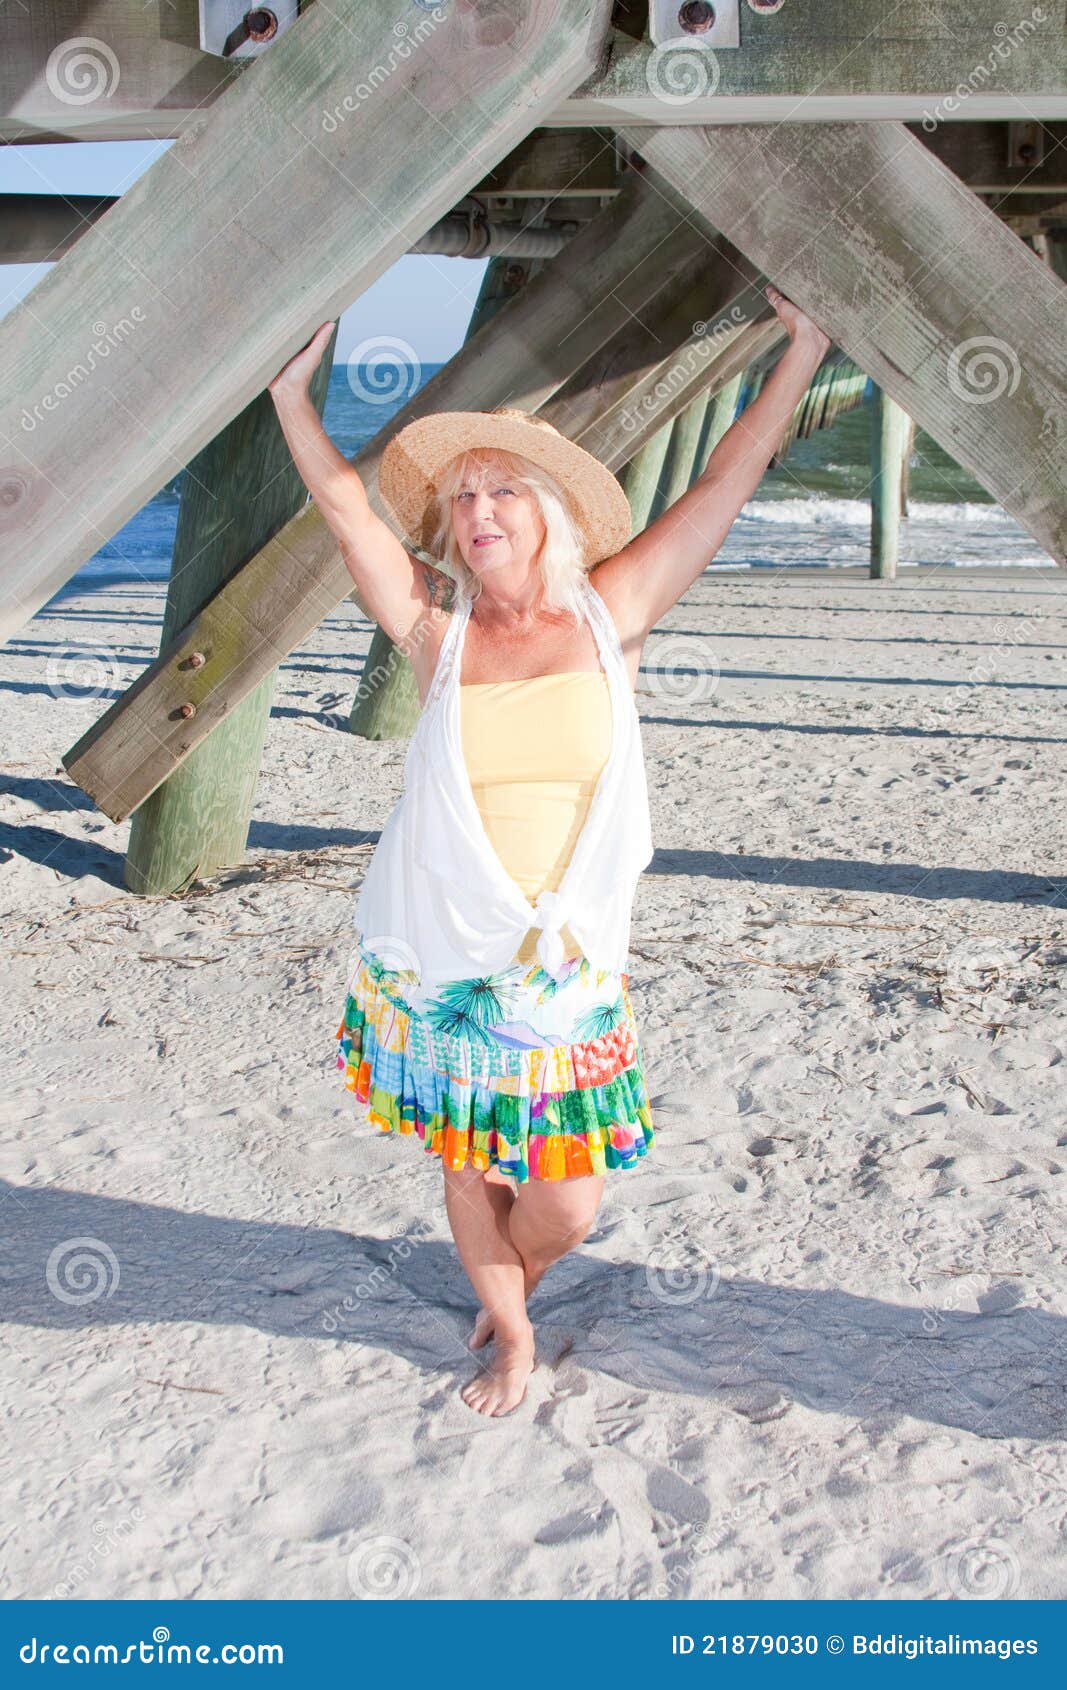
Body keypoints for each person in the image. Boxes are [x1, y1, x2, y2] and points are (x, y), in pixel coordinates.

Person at [268, 283, 830, 1416]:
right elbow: (343, 513)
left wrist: (801, 350)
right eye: (462, 498)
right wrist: (291, 393)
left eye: (500, 490)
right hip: (445, 954)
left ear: (545, 512)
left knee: (570, 1202)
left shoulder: (611, 612)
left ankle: (508, 1285)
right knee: (467, 1157)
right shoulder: (436, 635)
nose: (478, 511)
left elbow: (722, 481)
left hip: (566, 963)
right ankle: (512, 1338)